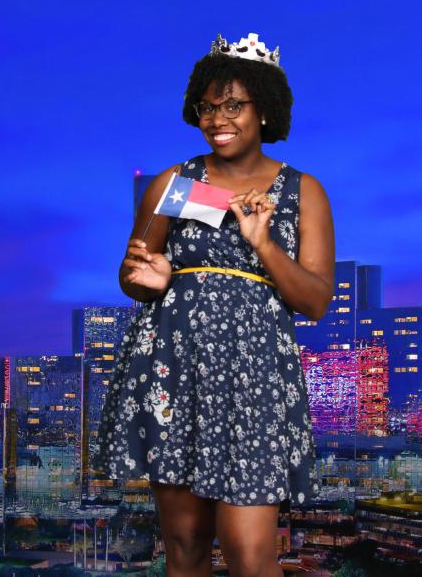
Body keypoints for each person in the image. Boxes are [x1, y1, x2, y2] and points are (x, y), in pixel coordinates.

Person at [92, 32, 334, 577]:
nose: (217, 118)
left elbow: (316, 301)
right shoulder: (174, 184)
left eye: (233, 105)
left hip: (253, 380)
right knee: (184, 544)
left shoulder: (301, 192)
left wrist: (263, 243)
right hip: (175, 371)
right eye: (207, 106)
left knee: (251, 553)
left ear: (265, 109)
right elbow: (131, 273)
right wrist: (147, 279)